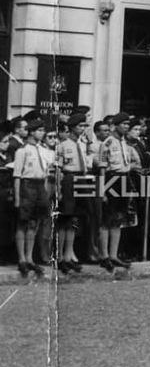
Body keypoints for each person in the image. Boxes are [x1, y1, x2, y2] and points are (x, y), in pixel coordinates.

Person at [97, 113, 140, 271]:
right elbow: (102, 167)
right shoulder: (108, 143)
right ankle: (104, 256)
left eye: (128, 124)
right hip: (111, 179)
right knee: (107, 219)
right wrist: (102, 190)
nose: (126, 127)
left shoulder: (124, 143)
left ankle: (114, 255)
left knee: (119, 219)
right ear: (115, 125)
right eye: (123, 124)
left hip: (123, 179)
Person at [12, 117, 51, 277]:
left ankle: (30, 258)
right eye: (39, 130)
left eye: (43, 130)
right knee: (23, 222)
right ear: (31, 132)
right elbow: (17, 176)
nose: (42, 133)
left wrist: (45, 192)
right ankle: (21, 258)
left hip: (40, 186)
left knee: (34, 224)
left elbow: (45, 173)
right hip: (27, 186)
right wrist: (17, 199)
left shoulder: (43, 149)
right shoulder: (22, 151)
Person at [55, 113, 92, 274]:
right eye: (79, 126)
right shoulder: (63, 145)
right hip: (68, 179)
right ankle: (60, 258)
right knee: (65, 218)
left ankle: (68, 256)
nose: (82, 129)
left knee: (74, 220)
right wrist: (58, 189)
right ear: (71, 128)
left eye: (84, 126)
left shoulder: (82, 145)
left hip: (81, 179)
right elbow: (58, 168)